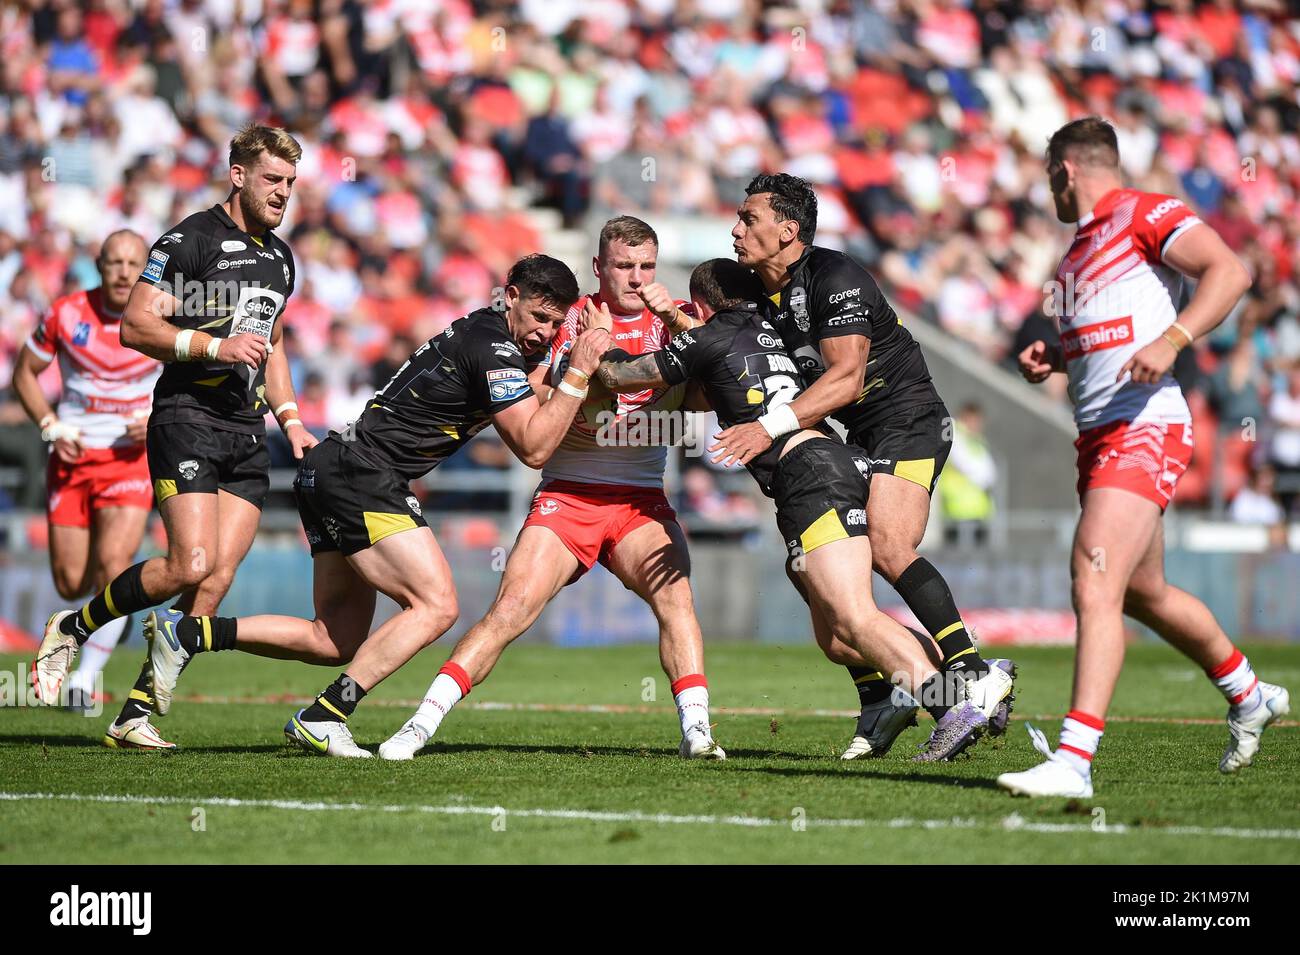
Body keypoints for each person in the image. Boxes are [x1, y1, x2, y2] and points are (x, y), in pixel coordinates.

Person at [148, 254, 611, 758]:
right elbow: (534, 446)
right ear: (512, 296)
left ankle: (189, 632)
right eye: (539, 318)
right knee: (436, 606)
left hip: (334, 468)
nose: (545, 332)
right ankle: (325, 716)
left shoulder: (491, 338)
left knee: (334, 641)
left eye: (556, 323)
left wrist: (571, 360)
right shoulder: (493, 345)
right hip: (363, 474)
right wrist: (581, 369)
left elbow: (539, 391)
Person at [596, 258, 1013, 761]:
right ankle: (895, 695)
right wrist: (677, 322)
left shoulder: (707, 337)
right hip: (826, 466)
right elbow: (713, 378)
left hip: (810, 476)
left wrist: (600, 344)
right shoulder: (769, 328)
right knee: (836, 636)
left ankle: (956, 703)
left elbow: (624, 376)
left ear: (702, 304)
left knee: (857, 617)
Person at [1002, 116, 1289, 798]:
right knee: (1143, 592)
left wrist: (1177, 337)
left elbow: (1232, 269)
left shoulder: (1146, 211)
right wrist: (1057, 358)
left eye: (1050, 177)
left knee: (1093, 577)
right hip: (1098, 434)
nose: (1049, 190)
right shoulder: (1074, 257)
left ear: (1066, 170)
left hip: (1145, 425)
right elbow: (1104, 345)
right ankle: (1249, 693)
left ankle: (1073, 760)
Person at [378, 216, 725, 762]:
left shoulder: (675, 320)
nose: (637, 278)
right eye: (623, 266)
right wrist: (578, 370)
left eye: (646, 266)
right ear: (598, 268)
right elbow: (528, 398)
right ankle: (419, 725)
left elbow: (714, 382)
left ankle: (698, 734)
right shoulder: (566, 321)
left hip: (639, 499)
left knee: (676, 601)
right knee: (510, 609)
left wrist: (673, 321)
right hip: (569, 493)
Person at [31, 124, 313, 750]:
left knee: (212, 584)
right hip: (186, 416)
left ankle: (133, 713)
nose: (283, 193)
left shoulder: (280, 257)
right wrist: (215, 344)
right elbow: (135, 326)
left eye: (291, 183)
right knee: (190, 562)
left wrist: (291, 419)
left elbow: (274, 344)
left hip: (246, 429)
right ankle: (74, 626)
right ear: (237, 174)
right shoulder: (188, 241)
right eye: (272, 179)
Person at [715, 173, 1014, 759]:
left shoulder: (837, 276)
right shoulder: (758, 290)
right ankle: (883, 696)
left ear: (788, 230)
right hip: (855, 436)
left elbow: (846, 377)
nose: (736, 227)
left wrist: (767, 427)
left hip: (907, 419)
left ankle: (972, 674)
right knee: (820, 595)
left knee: (889, 545)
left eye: (749, 218)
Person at [11, 230, 158, 710]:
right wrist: (51, 426)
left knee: (114, 571)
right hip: (72, 459)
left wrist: (156, 420)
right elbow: (23, 373)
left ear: (146, 269)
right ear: (99, 264)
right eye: (113, 262)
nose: (122, 271)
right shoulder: (66, 311)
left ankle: (84, 678)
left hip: (128, 461)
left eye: (133, 263)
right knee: (71, 583)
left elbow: (195, 380)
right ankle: (91, 621)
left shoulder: (164, 315)